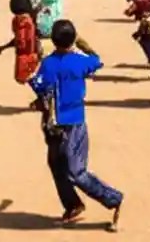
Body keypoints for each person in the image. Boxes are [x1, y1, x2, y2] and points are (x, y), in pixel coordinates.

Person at [28, 19, 124, 231]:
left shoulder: (48, 64)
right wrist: (82, 43)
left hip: (55, 124)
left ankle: (113, 199)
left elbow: (40, 87)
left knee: (70, 170)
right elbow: (97, 60)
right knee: (66, 169)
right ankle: (74, 205)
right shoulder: (79, 62)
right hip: (72, 123)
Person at [0, 0, 42, 95]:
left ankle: (43, 96)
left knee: (26, 77)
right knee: (29, 77)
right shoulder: (28, 19)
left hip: (26, 55)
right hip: (31, 52)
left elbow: (21, 39)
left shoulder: (21, 21)